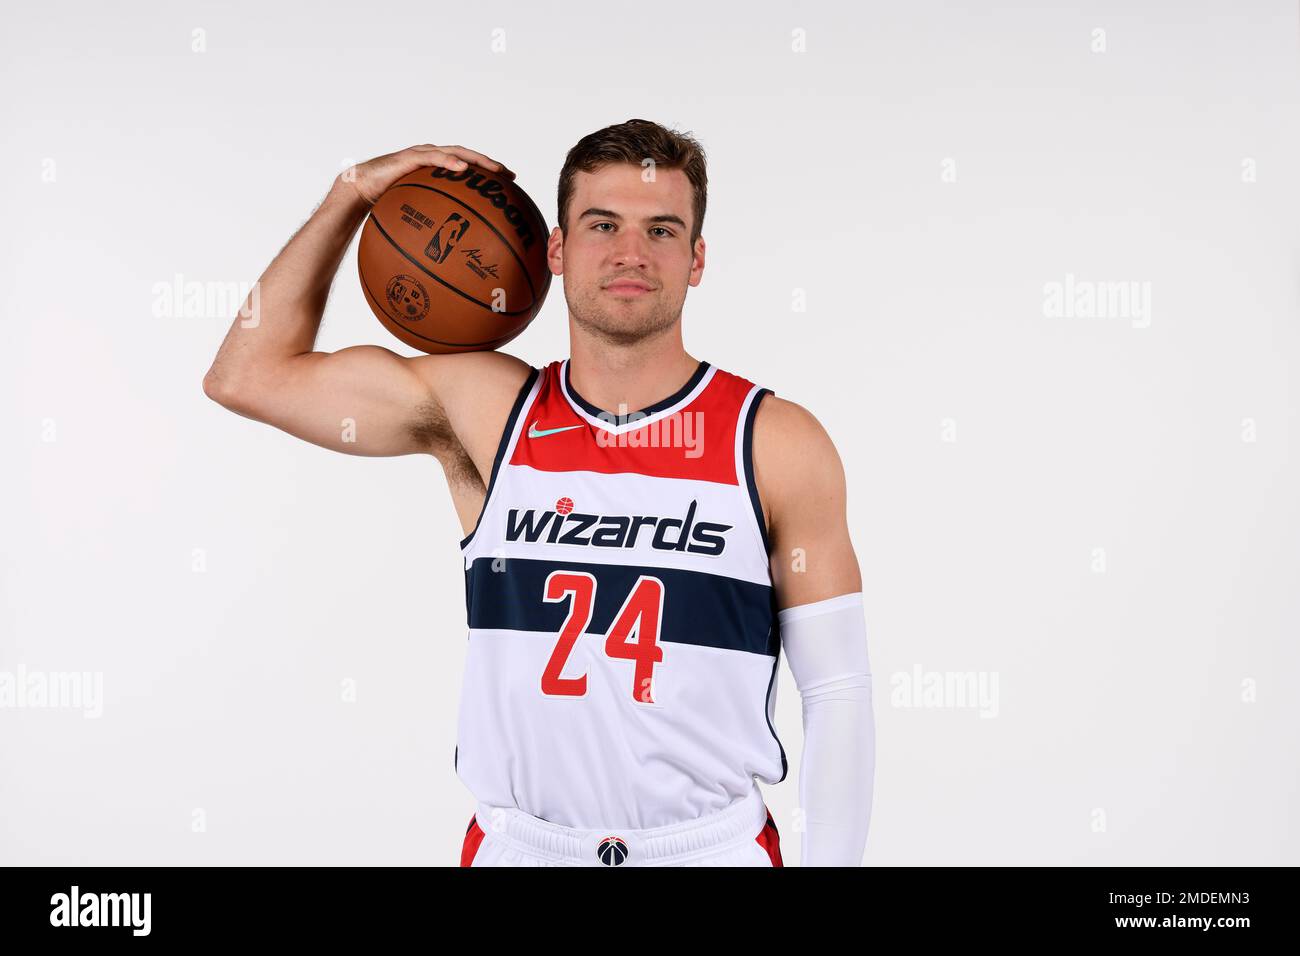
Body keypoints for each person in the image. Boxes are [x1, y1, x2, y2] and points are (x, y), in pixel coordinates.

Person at [203, 119, 874, 867]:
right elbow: (246, 376)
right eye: (601, 225)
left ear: (697, 259)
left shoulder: (774, 442)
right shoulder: (486, 412)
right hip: (522, 848)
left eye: (661, 229)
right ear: (555, 250)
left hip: (707, 849)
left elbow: (838, 690)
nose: (630, 253)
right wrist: (353, 192)